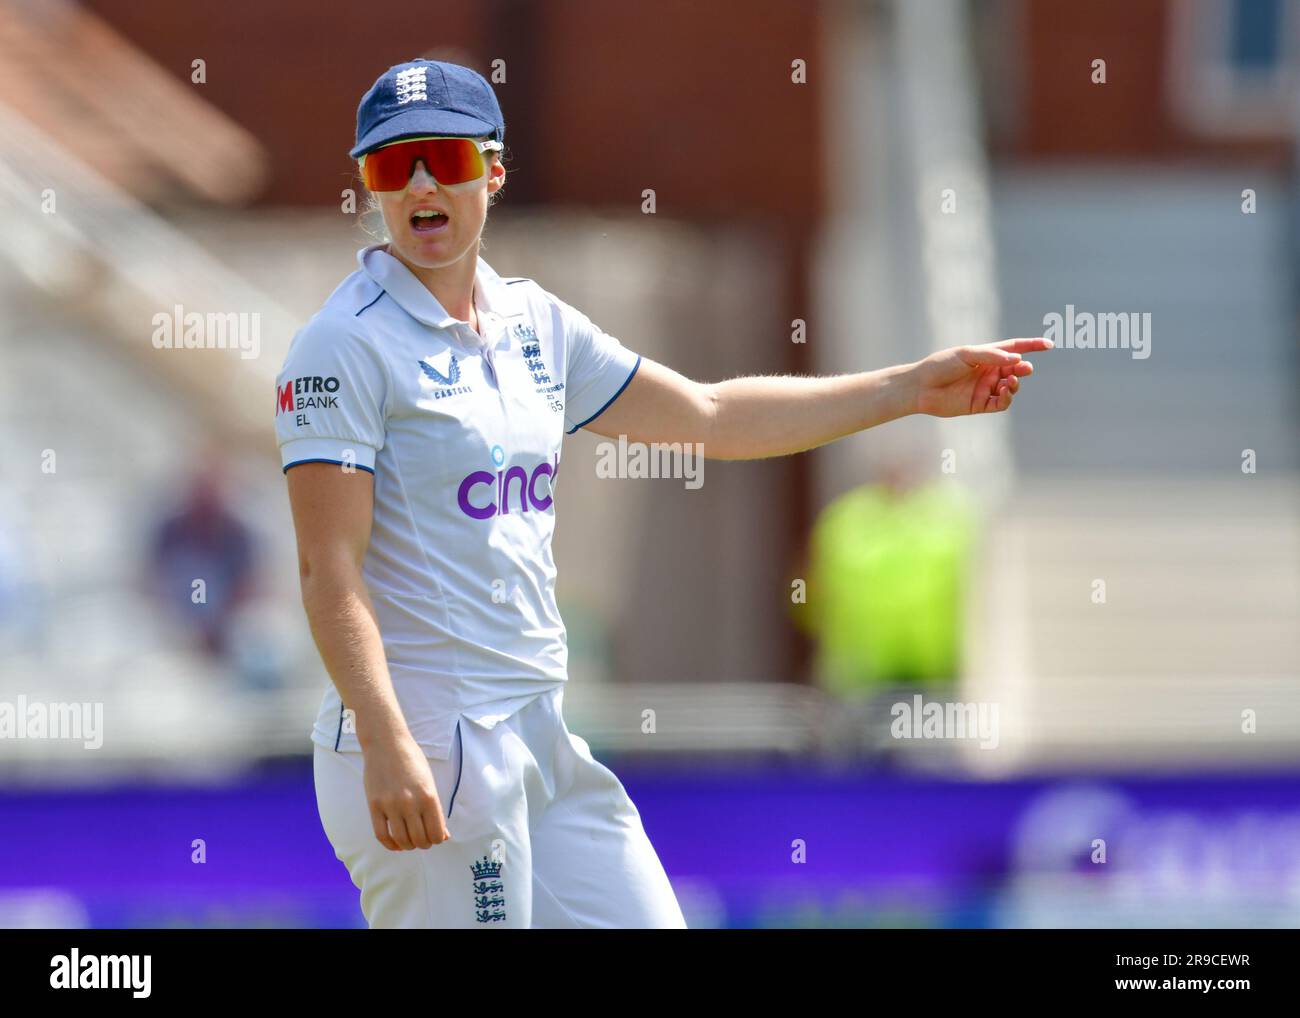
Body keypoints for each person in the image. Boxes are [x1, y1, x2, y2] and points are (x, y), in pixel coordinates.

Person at [276, 57, 1050, 929]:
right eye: (392, 165)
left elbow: (712, 415)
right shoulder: (341, 346)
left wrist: (908, 388)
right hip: (426, 741)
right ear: (369, 186)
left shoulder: (535, 323)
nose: (420, 183)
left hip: (537, 729)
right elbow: (327, 569)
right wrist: (384, 743)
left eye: (446, 160)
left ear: (493, 171)